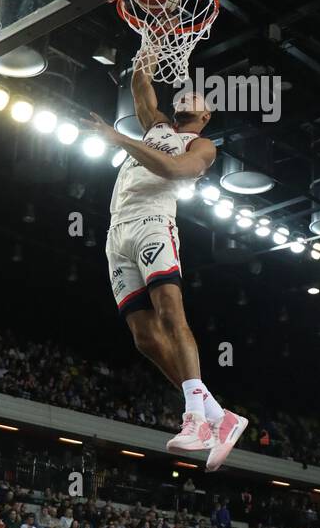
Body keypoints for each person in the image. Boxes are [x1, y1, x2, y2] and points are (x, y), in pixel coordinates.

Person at [87, 64, 247, 470]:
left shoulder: (202, 146)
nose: (187, 95)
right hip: (116, 233)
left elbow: (173, 170)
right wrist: (148, 46)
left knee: (171, 314)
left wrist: (117, 138)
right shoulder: (156, 125)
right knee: (143, 338)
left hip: (154, 224)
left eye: (198, 97)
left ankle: (194, 418)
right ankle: (218, 415)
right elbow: (141, 88)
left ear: (206, 114)